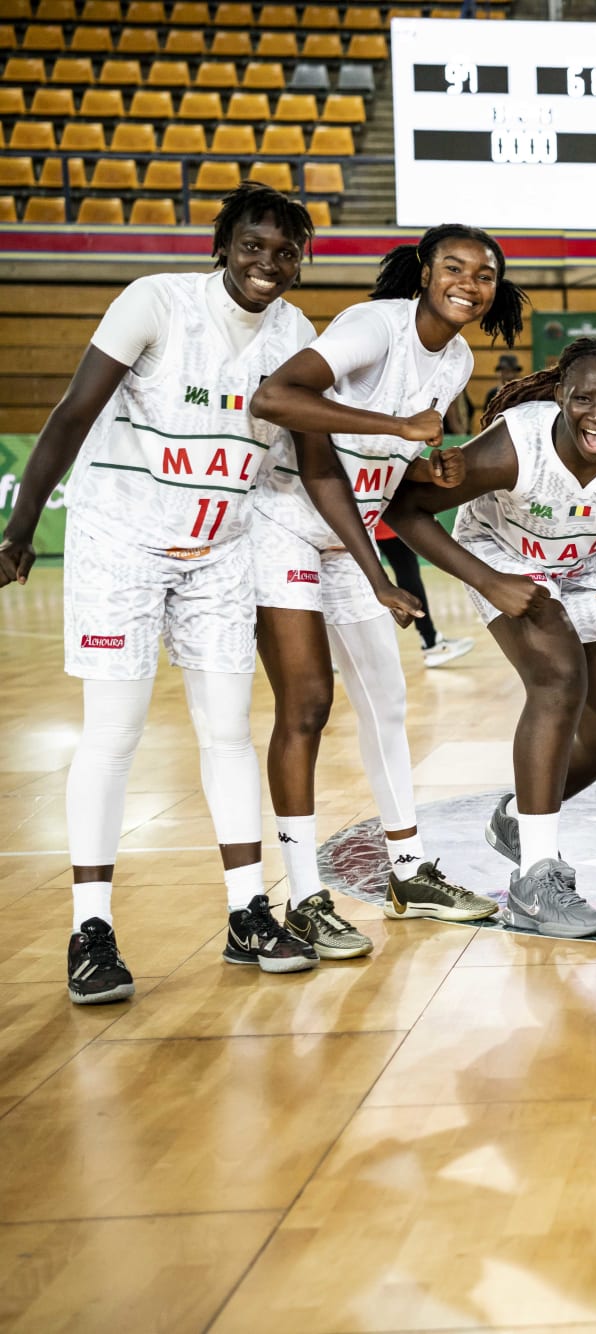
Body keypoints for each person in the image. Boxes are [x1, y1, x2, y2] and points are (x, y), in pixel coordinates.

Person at [0, 185, 319, 1003]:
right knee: (114, 732)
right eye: (252, 246)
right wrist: (20, 529)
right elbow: (71, 415)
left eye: (285, 252)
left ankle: (248, 913)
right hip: (122, 539)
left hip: (219, 547)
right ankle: (90, 930)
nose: (268, 263)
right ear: (224, 247)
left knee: (228, 731)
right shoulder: (155, 303)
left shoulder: (295, 335)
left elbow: (310, 458)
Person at [248, 224, 525, 949]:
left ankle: (408, 873)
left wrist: (428, 466)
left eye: (485, 275)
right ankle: (302, 896)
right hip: (285, 522)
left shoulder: (457, 359)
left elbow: (386, 461)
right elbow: (277, 398)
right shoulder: (374, 326)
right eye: (454, 268)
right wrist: (396, 427)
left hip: (352, 535)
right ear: (424, 272)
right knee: (308, 705)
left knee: (388, 702)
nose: (469, 284)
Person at [387, 337, 596, 935]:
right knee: (558, 679)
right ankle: (534, 879)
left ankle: (516, 816)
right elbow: (403, 507)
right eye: (583, 400)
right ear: (559, 396)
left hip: (589, 563)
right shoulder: (514, 446)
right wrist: (489, 581)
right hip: (502, 558)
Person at [373, 517, 475, 668]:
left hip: (369, 523)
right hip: (386, 521)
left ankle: (431, 642)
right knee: (408, 574)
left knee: (403, 574)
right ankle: (431, 643)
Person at [480, 351, 521, 417]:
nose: (510, 375)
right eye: (506, 371)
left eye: (512, 371)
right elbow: (486, 417)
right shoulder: (492, 394)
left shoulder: (522, 393)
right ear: (499, 373)